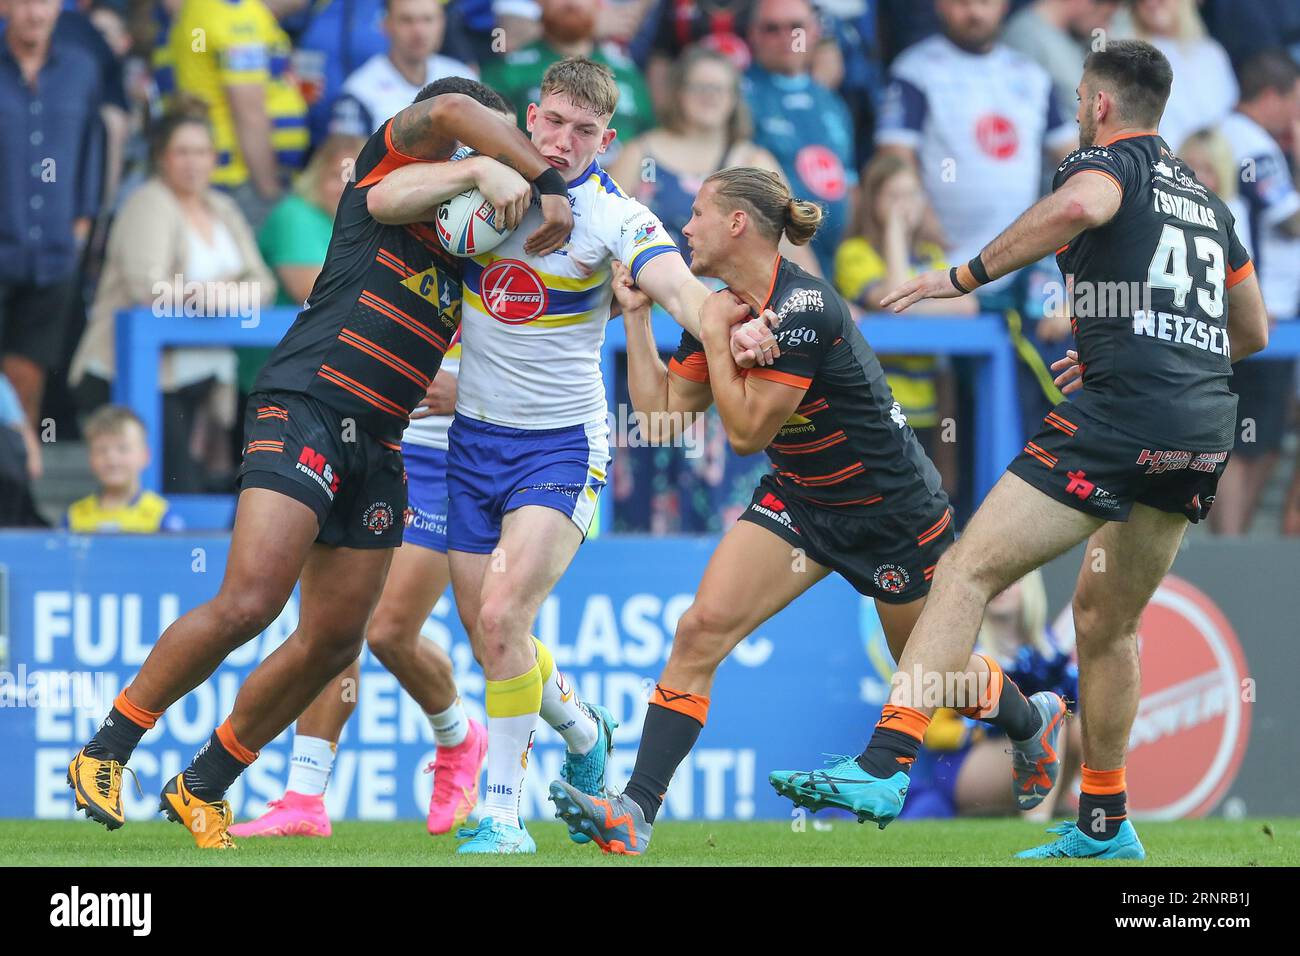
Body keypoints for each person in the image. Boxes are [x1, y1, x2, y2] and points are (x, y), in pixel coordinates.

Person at [771, 40, 1270, 860]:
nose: (1077, 109)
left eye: (1081, 97)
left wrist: (960, 276)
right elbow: (1246, 329)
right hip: (1200, 428)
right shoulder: (1205, 201)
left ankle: (885, 761)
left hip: (1122, 418)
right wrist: (1149, 344)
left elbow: (1079, 209)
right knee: (1107, 624)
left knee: (968, 568)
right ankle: (1105, 826)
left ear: (1101, 105)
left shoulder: (1106, 165)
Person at [65, 77, 575, 850]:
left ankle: (204, 784)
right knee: (251, 603)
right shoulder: (382, 176)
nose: (489, 158)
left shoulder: (468, 237)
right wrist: (527, 171)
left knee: (338, 639)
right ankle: (106, 750)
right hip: (304, 405)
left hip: (382, 443)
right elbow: (445, 116)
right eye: (482, 144)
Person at [548, 168, 1063, 857]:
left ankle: (1031, 722)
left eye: (698, 214)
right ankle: (634, 811)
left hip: (890, 513)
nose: (685, 228)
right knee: (699, 630)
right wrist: (640, 320)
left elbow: (745, 433)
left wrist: (722, 343)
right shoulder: (722, 306)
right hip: (800, 501)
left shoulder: (805, 306)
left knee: (937, 673)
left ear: (738, 225)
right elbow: (663, 419)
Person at [368, 57, 779, 854]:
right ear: (528, 118)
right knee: (492, 637)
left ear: (608, 139)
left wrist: (726, 323)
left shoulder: (610, 216)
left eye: (583, 130)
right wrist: (483, 167)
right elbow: (377, 197)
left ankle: (502, 815)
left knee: (500, 616)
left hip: (560, 446)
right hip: (470, 443)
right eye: (552, 122)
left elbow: (676, 284)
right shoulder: (475, 185)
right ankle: (584, 730)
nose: (562, 141)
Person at [68, 107, 277, 494]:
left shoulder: (222, 207)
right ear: (161, 157)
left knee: (211, 486)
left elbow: (263, 284)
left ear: (214, 158)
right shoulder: (148, 202)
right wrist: (203, 296)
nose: (192, 162)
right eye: (181, 152)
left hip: (200, 377)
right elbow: (146, 289)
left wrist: (219, 297)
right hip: (129, 372)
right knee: (178, 492)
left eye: (201, 152)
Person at [897, 571, 1083, 820]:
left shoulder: (1047, 650)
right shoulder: (962, 648)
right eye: (994, 581)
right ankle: (1036, 825)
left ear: (1030, 589)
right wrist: (976, 730)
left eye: (1012, 580)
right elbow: (931, 731)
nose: (1002, 589)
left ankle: (1109, 809)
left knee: (1076, 724)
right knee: (1048, 723)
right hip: (968, 766)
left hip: (1022, 760)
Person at [835, 151, 976, 472]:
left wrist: (914, 304)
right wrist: (895, 232)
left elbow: (967, 303)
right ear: (872, 202)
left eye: (912, 194)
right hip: (872, 410)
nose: (904, 204)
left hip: (926, 410)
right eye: (894, 196)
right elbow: (894, 297)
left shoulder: (930, 256)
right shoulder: (854, 253)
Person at [0, 0, 104, 428]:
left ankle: (19, 480)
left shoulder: (81, 68)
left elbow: (91, 148)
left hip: (54, 251)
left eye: (44, 2)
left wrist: (83, 221)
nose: (35, 13)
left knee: (28, 374)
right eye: (23, 2)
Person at [1211, 52, 1300, 536]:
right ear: (1271, 96)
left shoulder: (1231, 134)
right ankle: (1231, 546)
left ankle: (1234, 541)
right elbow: (1290, 219)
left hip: (1259, 311)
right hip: (1261, 311)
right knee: (1246, 441)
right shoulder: (1251, 145)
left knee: (1259, 435)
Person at [166, 0, 309, 226]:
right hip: (242, 180)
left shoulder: (207, 7)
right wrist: (268, 188)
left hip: (225, 175)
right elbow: (248, 112)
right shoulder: (236, 15)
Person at [743, 0, 856, 274]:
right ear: (753, 35)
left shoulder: (831, 102)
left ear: (815, 32)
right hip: (769, 266)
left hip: (833, 261)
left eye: (796, 28)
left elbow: (850, 185)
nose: (786, 38)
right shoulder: (738, 96)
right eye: (772, 29)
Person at [481, 0, 656, 158]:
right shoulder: (507, 71)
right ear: (539, 2)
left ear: (598, 4)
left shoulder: (628, 74)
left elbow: (653, 145)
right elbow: (488, 137)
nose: (572, 3)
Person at [329, 0, 476, 140]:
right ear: (385, 25)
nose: (419, 31)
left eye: (428, 19)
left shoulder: (464, 78)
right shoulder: (359, 90)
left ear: (442, 23)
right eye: (407, 20)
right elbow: (349, 156)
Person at [1110, 0, 1237, 157]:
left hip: (1213, 171)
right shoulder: (1125, 55)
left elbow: (1226, 121)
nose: (1150, 3)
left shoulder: (1212, 53)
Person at [65, 405, 185, 533]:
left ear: (145, 456)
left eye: (123, 449)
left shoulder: (161, 517)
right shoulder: (74, 518)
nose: (112, 460)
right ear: (90, 458)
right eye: (101, 450)